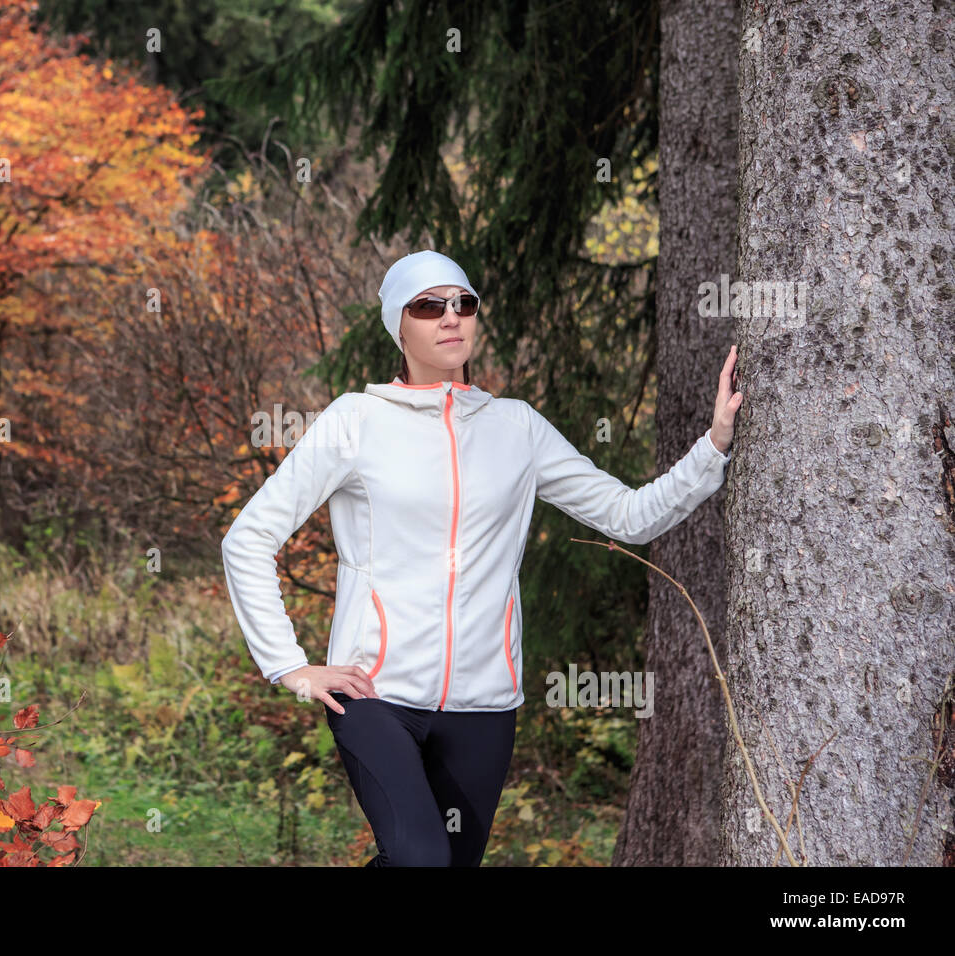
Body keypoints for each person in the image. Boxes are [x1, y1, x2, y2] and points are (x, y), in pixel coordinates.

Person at [220, 249, 743, 866]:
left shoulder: (516, 427)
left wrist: (713, 446)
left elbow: (629, 516)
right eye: (429, 306)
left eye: (464, 304)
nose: (451, 317)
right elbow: (248, 539)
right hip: (374, 695)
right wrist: (290, 667)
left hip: (484, 706)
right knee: (422, 860)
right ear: (399, 326)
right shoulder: (355, 421)